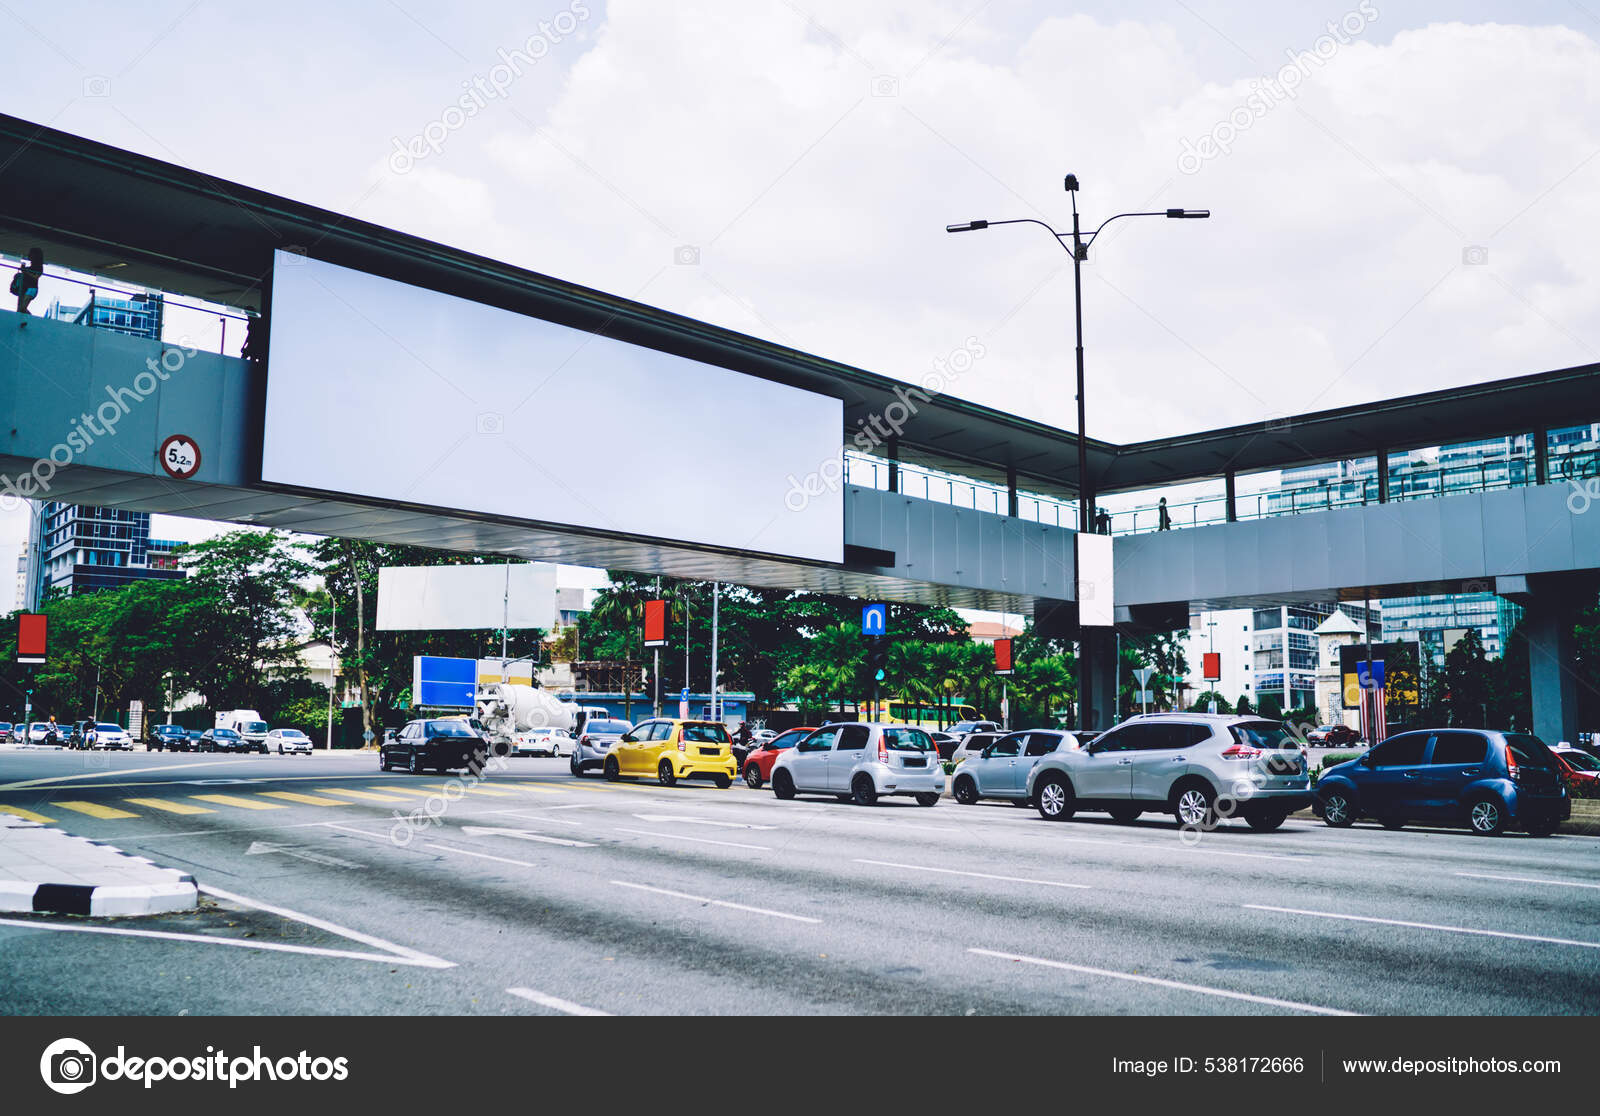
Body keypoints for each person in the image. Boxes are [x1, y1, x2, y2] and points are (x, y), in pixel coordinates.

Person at [10, 248, 42, 315]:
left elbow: (36, 277)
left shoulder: (39, 266)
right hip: (26, 288)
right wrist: (24, 270)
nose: (29, 256)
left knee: (22, 308)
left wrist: (25, 271)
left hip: (31, 288)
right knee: (21, 308)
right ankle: (24, 320)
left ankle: (29, 319)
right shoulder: (32, 266)